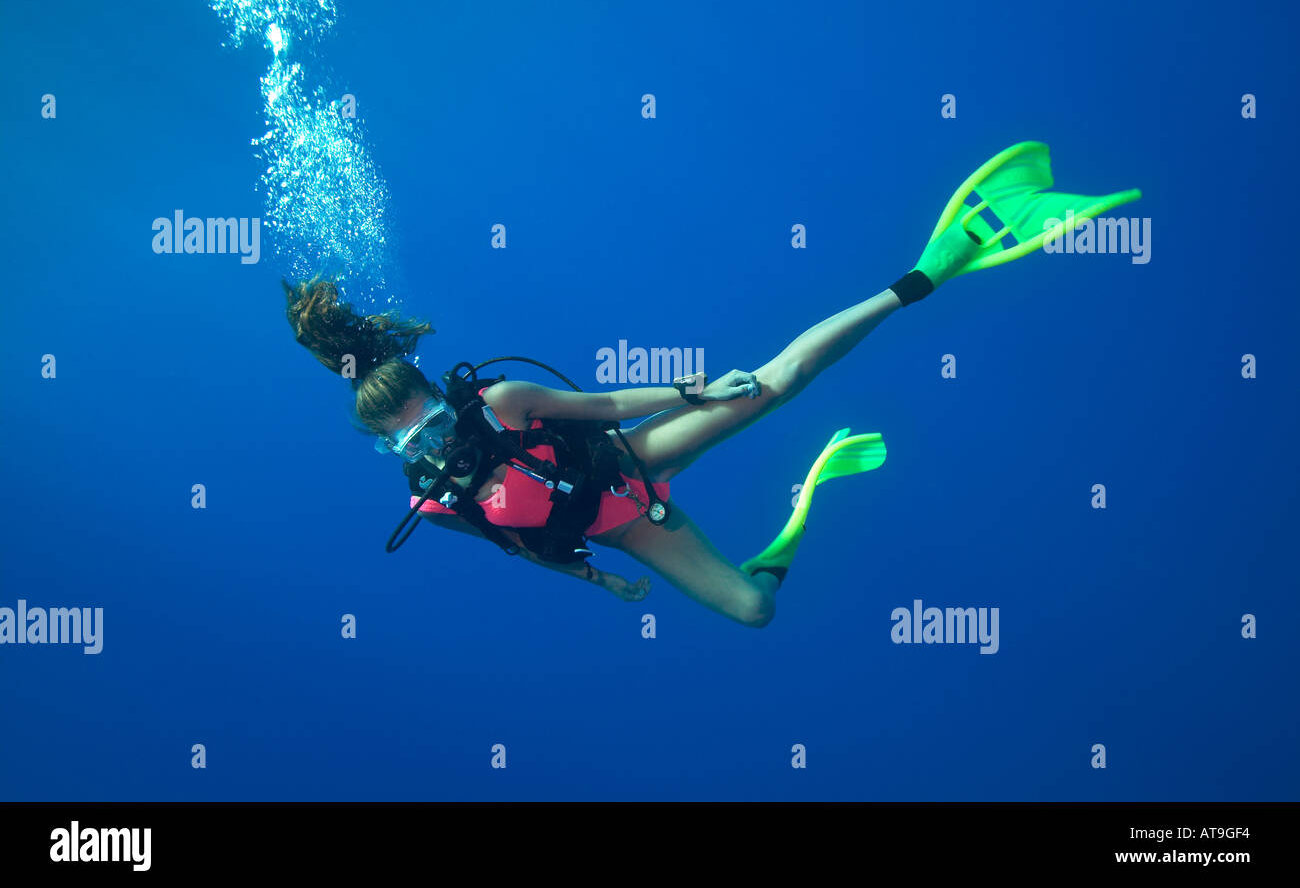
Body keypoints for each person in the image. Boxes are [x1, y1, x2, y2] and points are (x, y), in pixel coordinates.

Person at [284, 141, 1140, 628]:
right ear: (389, 448)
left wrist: (693, 391)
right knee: (752, 613)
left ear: (439, 395)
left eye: (428, 418)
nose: (428, 440)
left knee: (778, 380)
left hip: (629, 452)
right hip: (625, 532)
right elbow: (518, 545)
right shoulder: (430, 506)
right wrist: (599, 581)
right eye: (408, 439)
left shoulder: (501, 401)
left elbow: (608, 404)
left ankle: (925, 273)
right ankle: (795, 518)